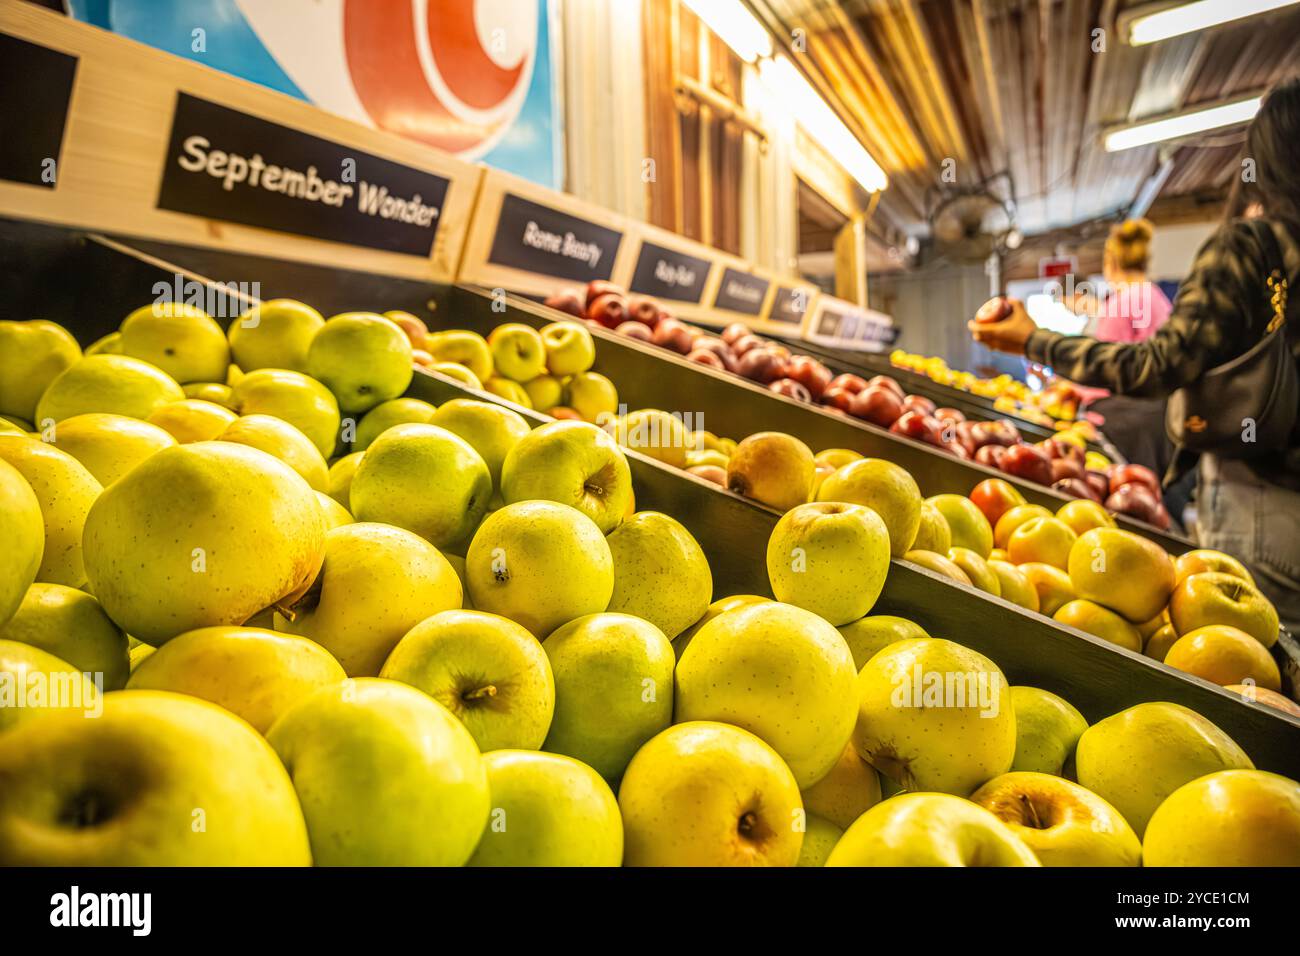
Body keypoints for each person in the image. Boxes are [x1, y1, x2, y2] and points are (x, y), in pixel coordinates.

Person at [969, 77, 1300, 634]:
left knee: (1257, 686)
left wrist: (1032, 339)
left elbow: (1154, 366)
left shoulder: (1252, 246)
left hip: (1263, 502)